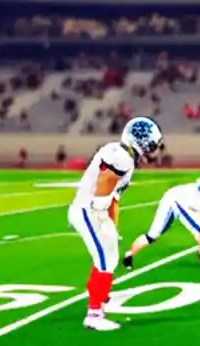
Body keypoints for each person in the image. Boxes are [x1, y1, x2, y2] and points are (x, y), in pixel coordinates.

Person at [69, 117, 163, 332]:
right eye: (150, 144)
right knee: (103, 259)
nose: (152, 149)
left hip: (96, 211)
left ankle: (100, 296)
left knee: (110, 255)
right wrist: (100, 211)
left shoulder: (121, 154)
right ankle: (94, 314)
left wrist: (111, 225)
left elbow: (115, 197)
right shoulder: (122, 158)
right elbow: (106, 180)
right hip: (87, 210)